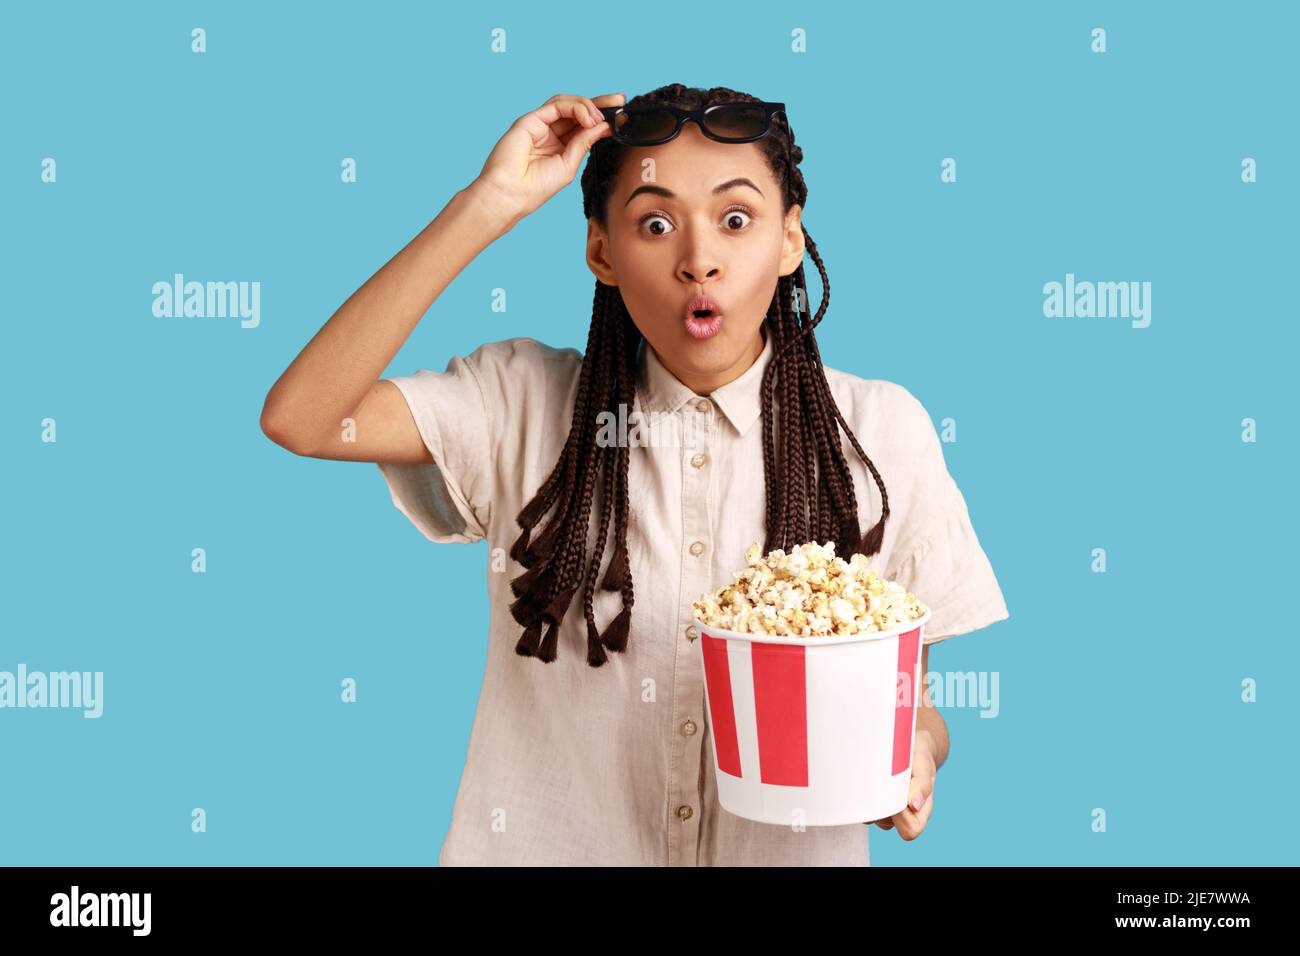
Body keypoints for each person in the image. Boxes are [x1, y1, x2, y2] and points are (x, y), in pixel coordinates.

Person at [260, 83, 1010, 865]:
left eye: (735, 219)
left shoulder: (881, 432)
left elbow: (908, 701)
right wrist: (489, 204)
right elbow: (302, 417)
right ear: (601, 252)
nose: (699, 260)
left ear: (790, 241)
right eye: (655, 223)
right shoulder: (518, 405)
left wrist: (916, 755)